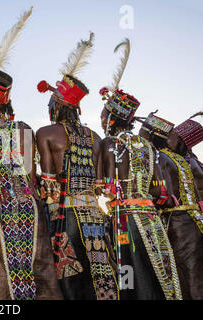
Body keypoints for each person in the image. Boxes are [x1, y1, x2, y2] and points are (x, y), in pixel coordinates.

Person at [0, 6, 62, 301]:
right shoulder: (25, 129)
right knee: (40, 265)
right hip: (30, 207)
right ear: (8, 102)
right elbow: (36, 177)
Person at [36, 32, 119, 300]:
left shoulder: (47, 133)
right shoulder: (96, 137)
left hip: (63, 217)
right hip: (95, 216)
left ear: (57, 105)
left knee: (69, 279)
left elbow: (48, 186)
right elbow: (98, 186)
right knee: (102, 275)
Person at [98, 39, 182, 300]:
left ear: (112, 119)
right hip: (151, 218)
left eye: (103, 116)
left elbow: (109, 187)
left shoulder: (109, 143)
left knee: (129, 274)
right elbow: (161, 189)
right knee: (158, 271)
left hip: (125, 219)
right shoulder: (146, 145)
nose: (101, 121)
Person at [147, 115, 203, 299]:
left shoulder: (163, 157)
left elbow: (163, 195)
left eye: (171, 134)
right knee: (194, 276)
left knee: (187, 278)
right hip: (195, 221)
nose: (166, 137)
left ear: (179, 140)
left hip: (180, 225)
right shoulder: (192, 162)